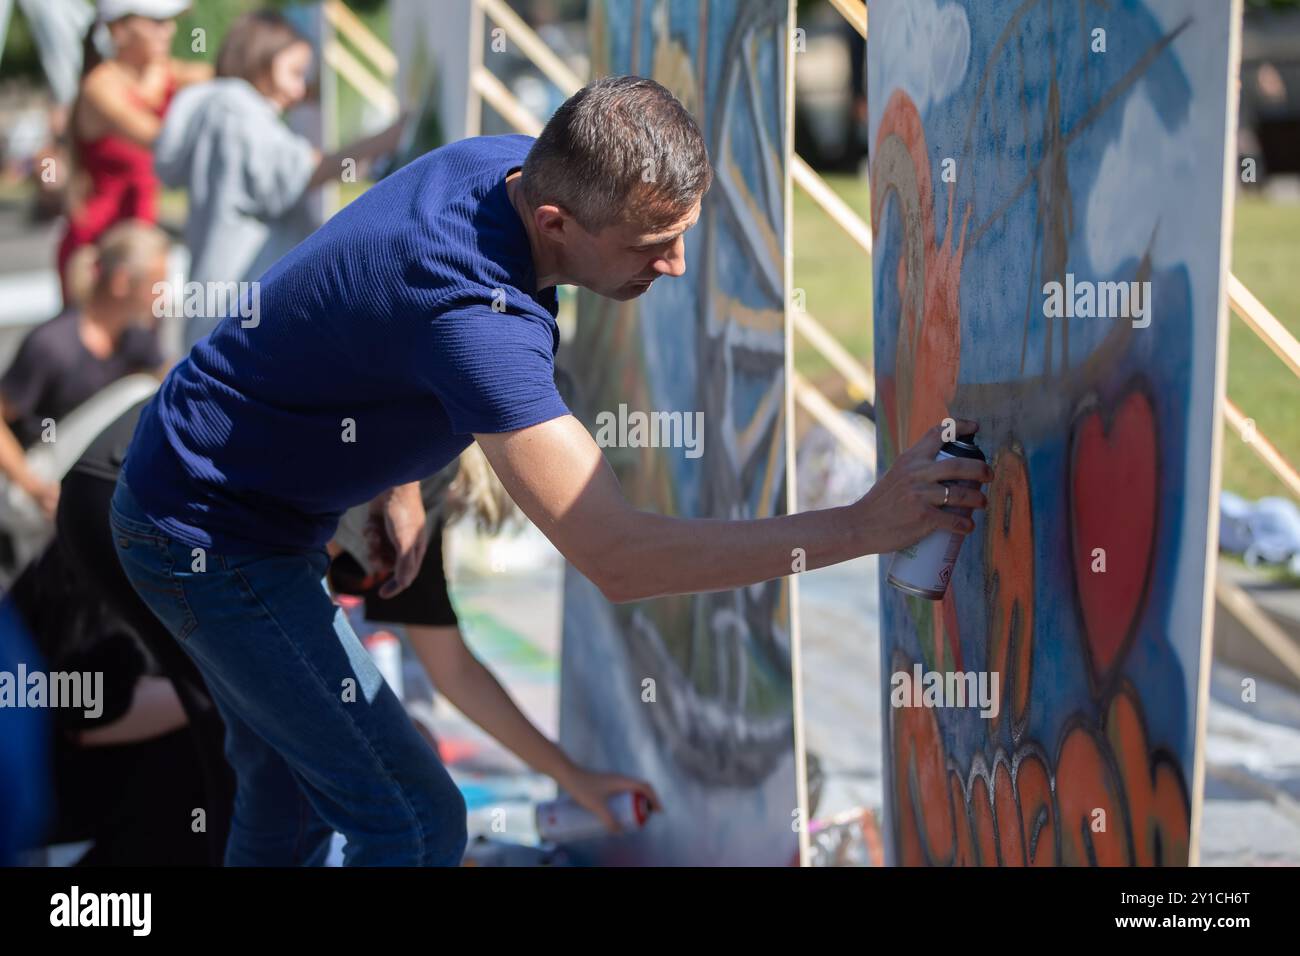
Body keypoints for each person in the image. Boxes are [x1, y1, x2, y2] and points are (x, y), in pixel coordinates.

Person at [110, 75, 993, 866]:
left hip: (217, 500)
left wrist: (398, 479)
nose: (675, 264)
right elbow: (618, 557)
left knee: (294, 798)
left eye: (682, 234)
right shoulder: (476, 318)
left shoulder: (509, 166)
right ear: (557, 224)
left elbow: (360, 315)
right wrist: (861, 527)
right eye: (652, 243)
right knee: (415, 824)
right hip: (208, 539)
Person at [152, 10, 406, 351]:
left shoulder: (214, 104)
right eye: (295, 73)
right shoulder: (237, 109)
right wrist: (388, 139)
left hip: (217, 306)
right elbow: (301, 171)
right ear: (261, 58)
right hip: (239, 310)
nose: (300, 90)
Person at [0, 219, 168, 526]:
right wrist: (30, 484)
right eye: (157, 285)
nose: (164, 297)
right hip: (34, 483)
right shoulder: (53, 345)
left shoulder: (136, 339)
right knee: (140, 391)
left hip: (79, 476)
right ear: (121, 283)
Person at [56, 0, 209, 304]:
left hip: (142, 247)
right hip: (97, 251)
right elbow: (159, 139)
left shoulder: (164, 72)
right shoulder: (99, 86)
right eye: (155, 22)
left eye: (169, 21)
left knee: (147, 349)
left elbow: (228, 72)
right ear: (119, 30)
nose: (169, 30)